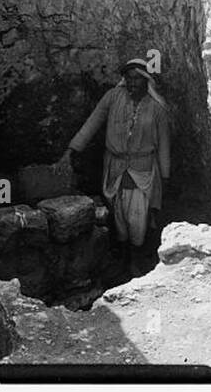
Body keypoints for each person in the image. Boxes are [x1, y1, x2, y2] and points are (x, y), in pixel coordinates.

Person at [64, 59, 170, 277]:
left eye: (137, 79)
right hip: (114, 168)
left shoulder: (157, 109)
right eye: (129, 78)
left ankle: (136, 260)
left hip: (142, 171)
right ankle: (123, 257)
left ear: (146, 81)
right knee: (118, 214)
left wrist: (165, 178)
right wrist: (72, 150)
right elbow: (92, 123)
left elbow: (164, 146)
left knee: (137, 217)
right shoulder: (113, 97)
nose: (132, 83)